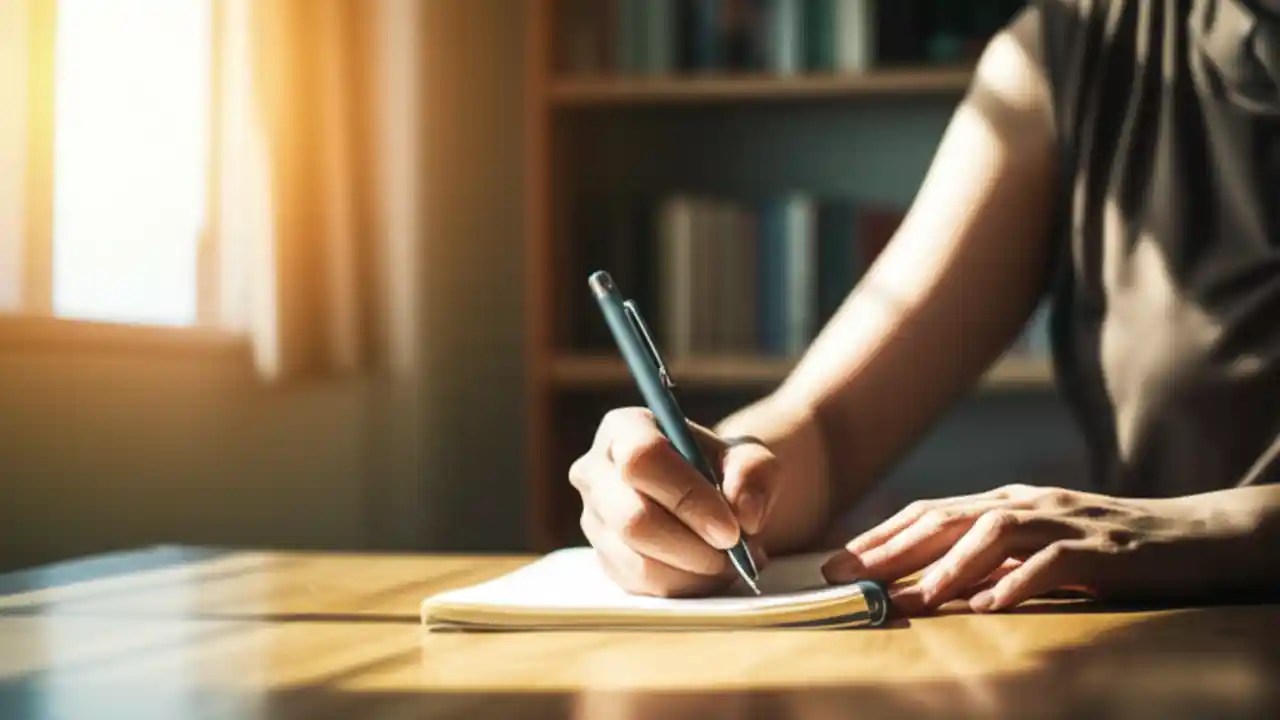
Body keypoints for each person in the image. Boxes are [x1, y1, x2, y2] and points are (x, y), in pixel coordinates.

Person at [568, 0, 1279, 615]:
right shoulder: (1077, 49)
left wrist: (1215, 525)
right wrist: (699, 487)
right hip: (1154, 665)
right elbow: (830, 426)